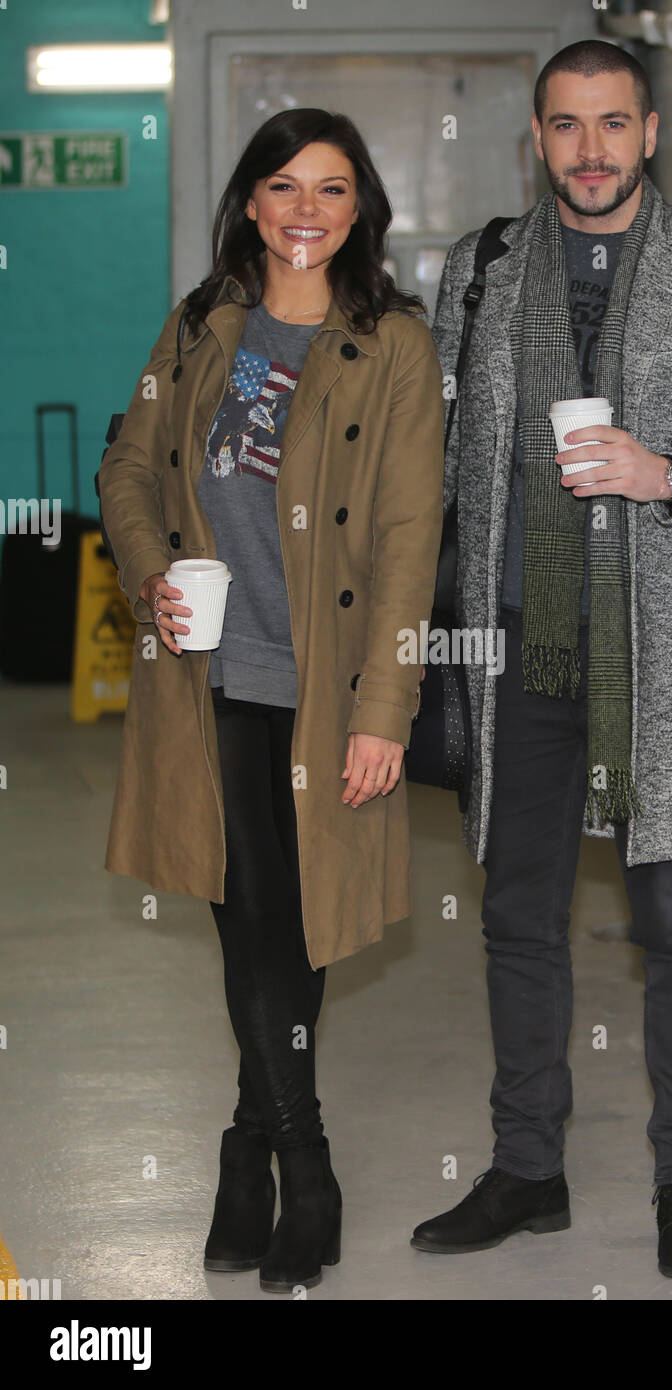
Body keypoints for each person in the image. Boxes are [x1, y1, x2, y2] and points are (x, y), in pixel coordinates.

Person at [414, 40, 672, 1278]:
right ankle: (527, 1167)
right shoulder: (478, 273)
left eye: (611, 124)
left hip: (657, 660)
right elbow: (430, 457)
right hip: (521, 650)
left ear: (650, 133)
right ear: (536, 138)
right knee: (517, 918)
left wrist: (667, 474)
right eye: (564, 126)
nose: (587, 149)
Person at [99, 108, 444, 1293]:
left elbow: (408, 537)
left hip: (324, 679)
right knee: (243, 909)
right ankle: (287, 1153)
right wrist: (149, 574)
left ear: (360, 211)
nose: (306, 210)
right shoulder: (203, 325)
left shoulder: (393, 342)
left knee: (285, 924)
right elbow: (129, 464)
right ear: (249, 201)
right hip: (209, 670)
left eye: (332, 190)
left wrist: (383, 708)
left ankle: (271, 1152)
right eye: (284, 187)